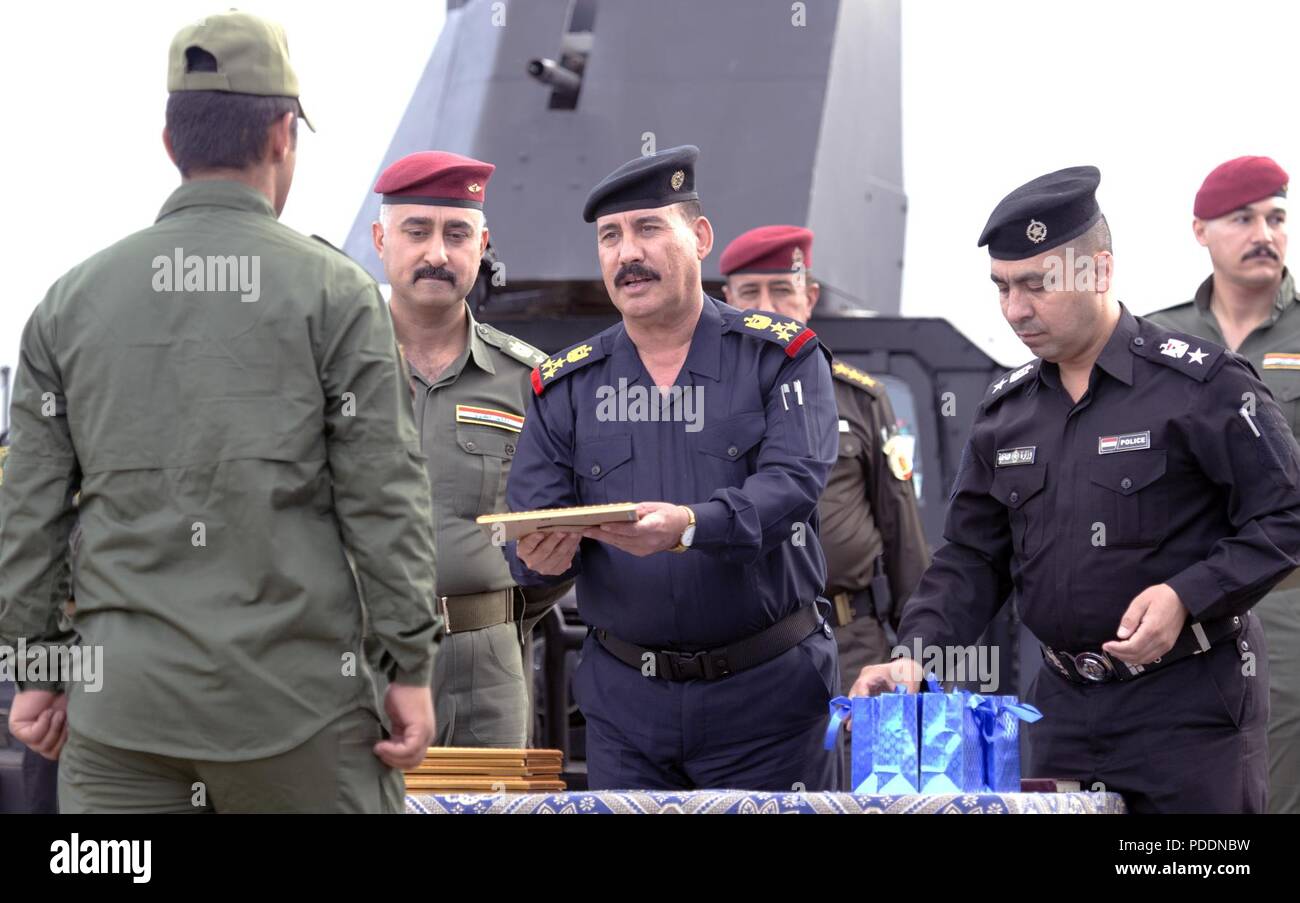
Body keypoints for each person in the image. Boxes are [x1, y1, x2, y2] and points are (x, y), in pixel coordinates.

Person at [0, 10, 439, 813]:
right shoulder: (337, 294)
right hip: (300, 712)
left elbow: (29, 514)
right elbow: (384, 496)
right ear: (282, 135)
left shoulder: (67, 303)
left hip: (122, 713)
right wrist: (409, 663)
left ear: (170, 143)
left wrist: (37, 670)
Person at [852, 165, 1300, 814]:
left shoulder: (1203, 388)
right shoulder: (1005, 413)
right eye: (1002, 287)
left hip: (1191, 712)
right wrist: (913, 654)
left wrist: (1185, 595)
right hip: (1061, 715)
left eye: (1037, 285)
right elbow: (972, 557)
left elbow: (1286, 517)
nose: (1015, 310)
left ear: (1099, 272)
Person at [503, 145, 842, 791]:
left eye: (648, 227)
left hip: (768, 706)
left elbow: (794, 483)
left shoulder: (782, 358)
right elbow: (536, 523)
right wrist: (539, 560)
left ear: (700, 237)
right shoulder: (565, 384)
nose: (628, 253)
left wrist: (693, 525)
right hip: (627, 713)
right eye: (611, 237)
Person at [370, 150, 569, 747]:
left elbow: (559, 532)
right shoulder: (331, 371)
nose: (437, 253)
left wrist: (496, 616)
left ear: (483, 245)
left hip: (483, 672)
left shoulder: (531, 382)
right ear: (381, 240)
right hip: (351, 665)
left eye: (457, 233)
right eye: (416, 231)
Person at [1147, 155, 1298, 813]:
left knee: (1277, 790)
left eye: (1276, 217)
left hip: (1288, 606)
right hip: (1177, 610)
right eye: (1243, 219)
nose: (1264, 232)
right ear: (1200, 230)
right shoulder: (1155, 339)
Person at [719, 224, 930, 694]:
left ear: (809, 297)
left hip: (849, 644)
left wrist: (917, 655)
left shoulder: (860, 399)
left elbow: (902, 538)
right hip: (736, 646)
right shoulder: (697, 402)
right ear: (727, 299)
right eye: (750, 292)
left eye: (782, 291)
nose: (767, 307)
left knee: (858, 766)